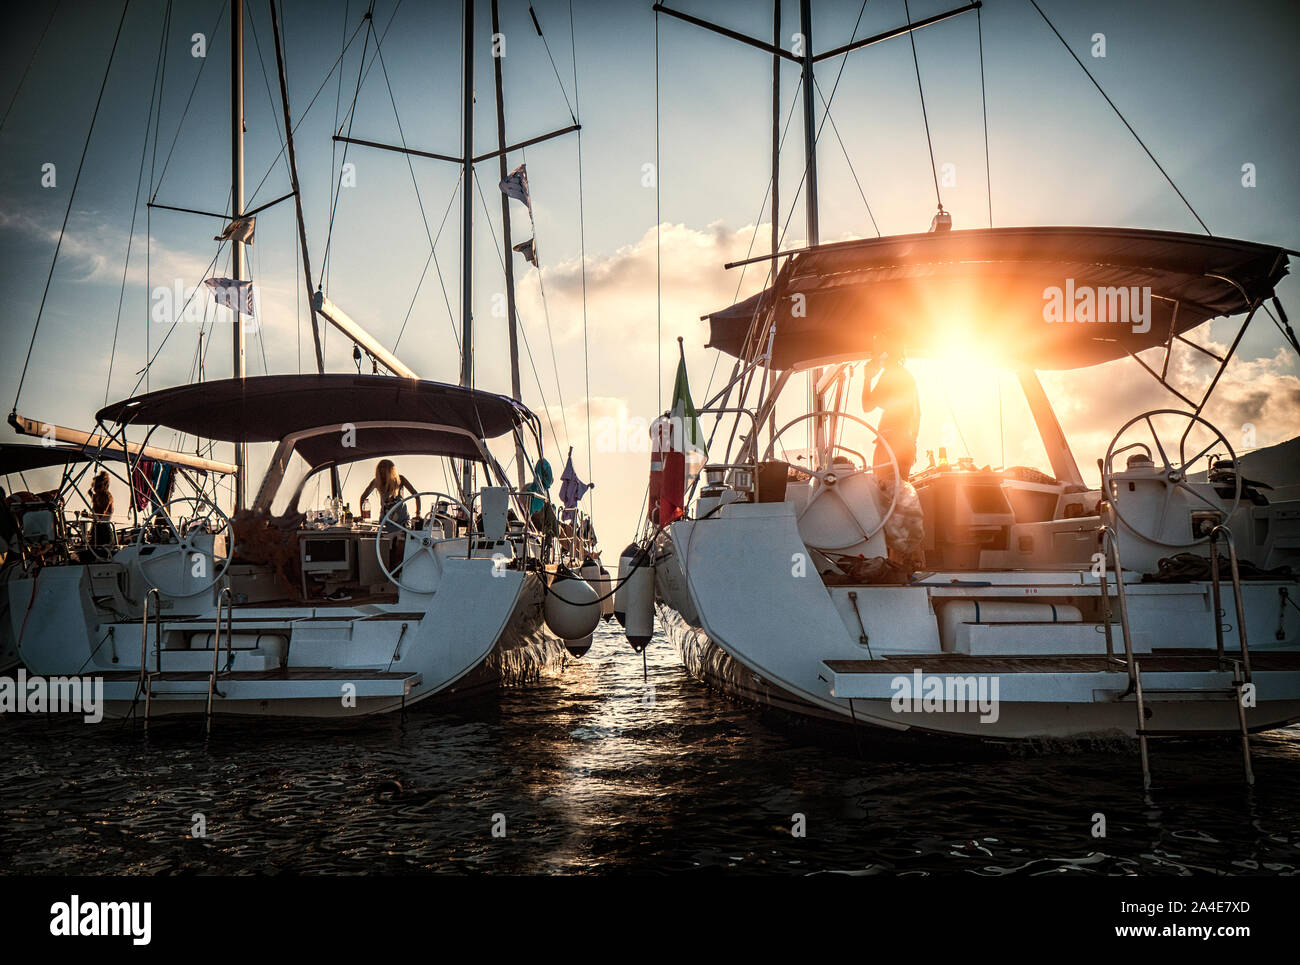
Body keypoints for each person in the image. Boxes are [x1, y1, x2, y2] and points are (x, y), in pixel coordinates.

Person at [861, 334, 920, 482]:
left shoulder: (890, 374)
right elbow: (918, 413)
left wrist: (867, 378)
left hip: (890, 443)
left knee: (883, 494)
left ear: (885, 353)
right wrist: (912, 442)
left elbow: (867, 406)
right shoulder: (906, 375)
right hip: (906, 443)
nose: (874, 356)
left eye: (877, 351)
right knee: (899, 493)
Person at [359, 459, 420, 530]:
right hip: (385, 522)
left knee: (401, 539)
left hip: (402, 522)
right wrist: (362, 516)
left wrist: (418, 514)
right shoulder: (376, 482)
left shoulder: (400, 479)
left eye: (384, 473)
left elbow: (416, 495)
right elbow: (363, 498)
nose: (382, 476)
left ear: (390, 472)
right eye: (380, 473)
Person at [87, 470, 115, 547]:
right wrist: (86, 515)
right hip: (96, 529)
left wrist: (94, 500)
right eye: (94, 487)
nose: (96, 489)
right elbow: (96, 516)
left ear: (104, 486)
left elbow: (100, 515)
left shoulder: (107, 497)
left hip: (103, 531)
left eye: (98, 487)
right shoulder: (97, 497)